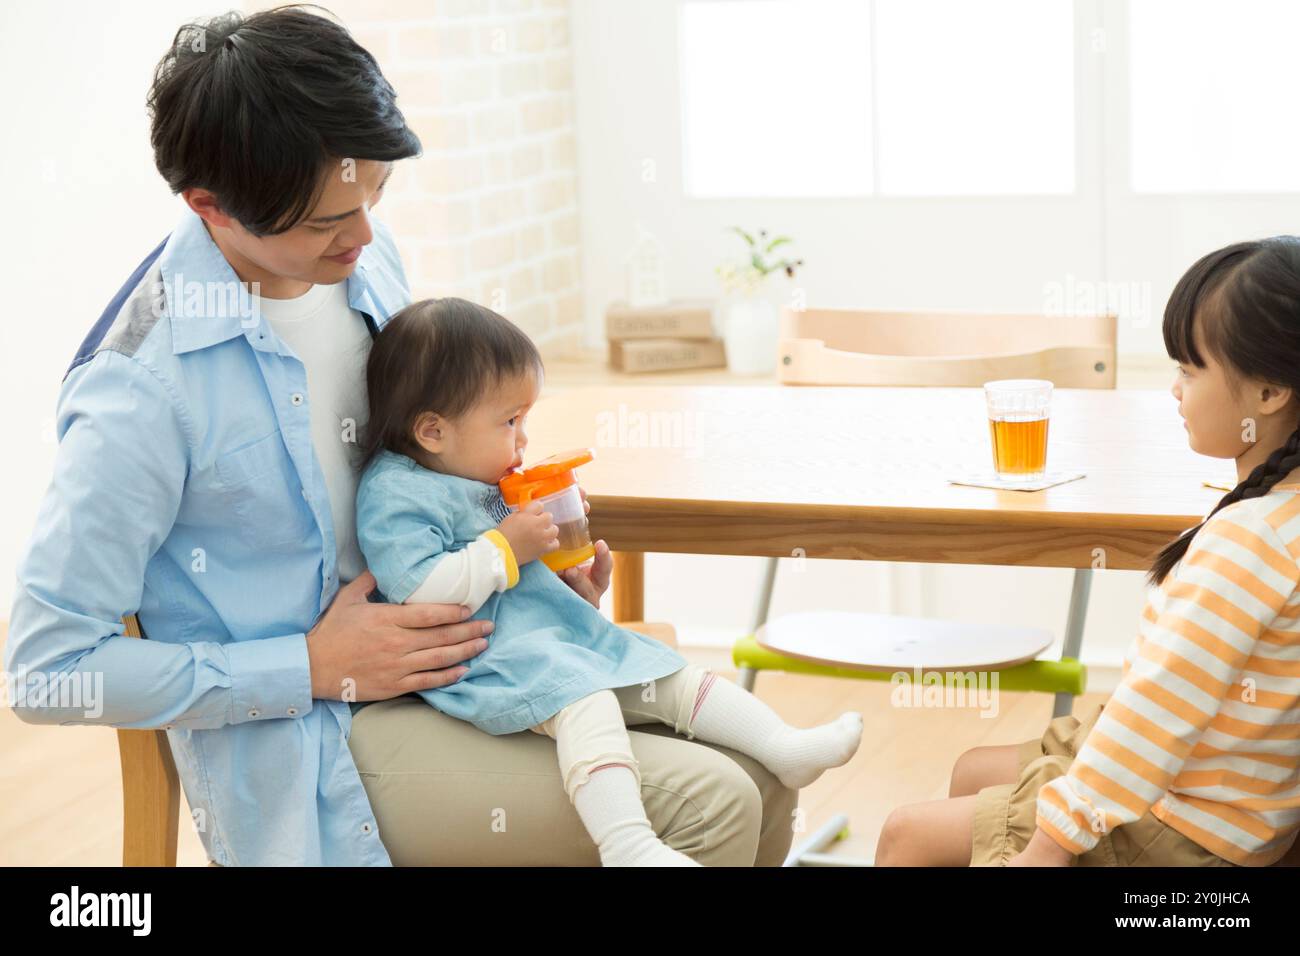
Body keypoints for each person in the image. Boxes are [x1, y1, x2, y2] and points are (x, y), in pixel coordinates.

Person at [4, 6, 798, 866]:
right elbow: (46, 671)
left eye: (374, 194)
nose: (365, 234)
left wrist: (522, 563)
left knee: (763, 766)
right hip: (323, 730)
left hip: (471, 655)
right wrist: (305, 665)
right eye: (324, 221)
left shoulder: (365, 268)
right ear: (211, 207)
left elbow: (417, 487)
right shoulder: (141, 390)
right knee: (710, 801)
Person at [353, 298, 865, 866]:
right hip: (488, 667)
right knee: (586, 703)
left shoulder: (474, 472)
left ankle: (781, 745)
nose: (522, 440)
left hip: (547, 640)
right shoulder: (396, 493)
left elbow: (504, 582)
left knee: (669, 672)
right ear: (432, 431)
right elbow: (420, 589)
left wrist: (556, 572)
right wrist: (508, 544)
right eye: (509, 422)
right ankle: (626, 843)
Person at [876, 237, 1300, 867]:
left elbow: (1157, 718)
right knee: (972, 768)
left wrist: (1049, 846)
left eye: (1190, 370)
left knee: (905, 835)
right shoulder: (1274, 510)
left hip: (1190, 825)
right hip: (1227, 795)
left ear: (1269, 394)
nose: (1175, 390)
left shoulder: (1249, 542)